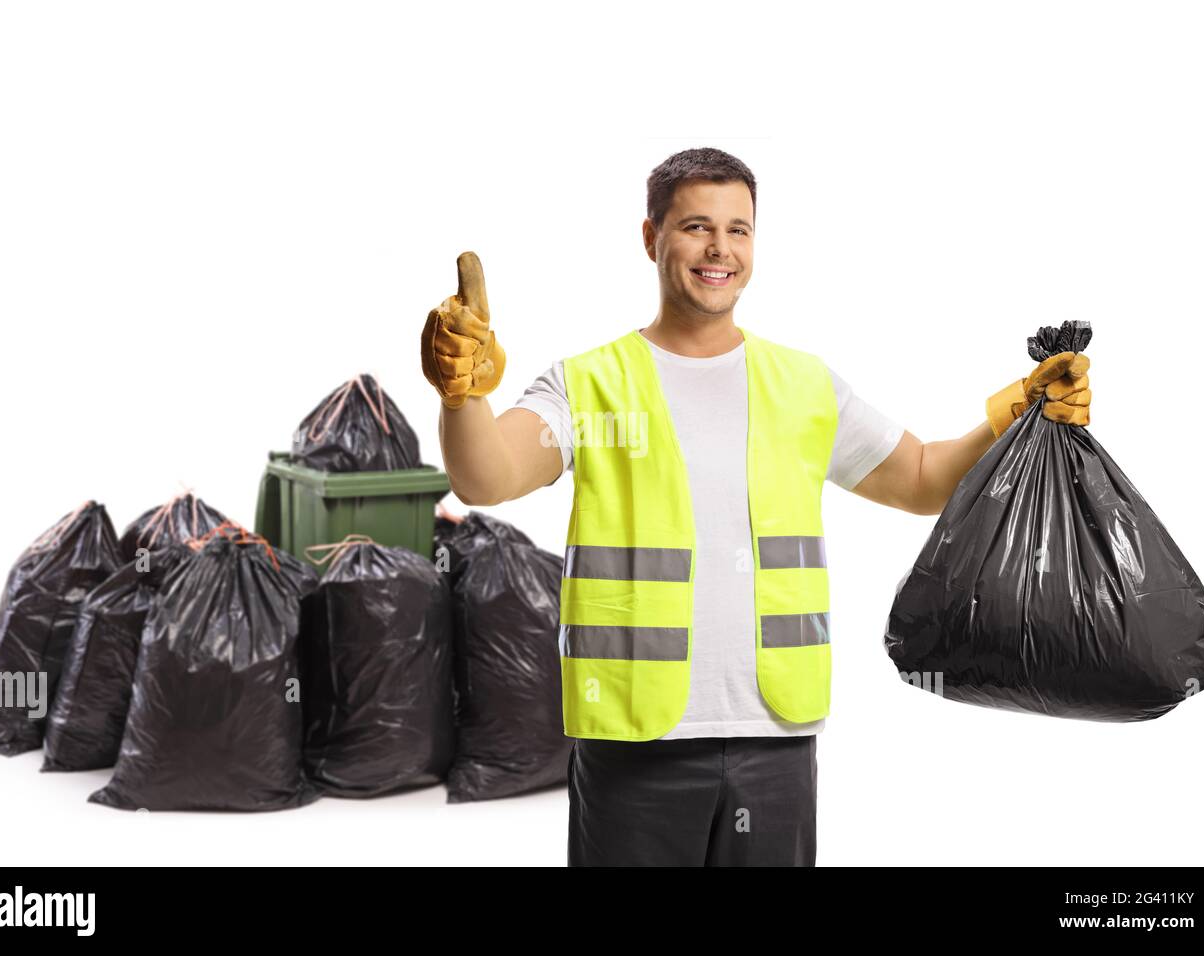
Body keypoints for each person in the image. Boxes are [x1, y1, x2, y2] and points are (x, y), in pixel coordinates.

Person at [420, 147, 1091, 867]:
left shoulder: (802, 386)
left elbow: (923, 478)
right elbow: (487, 477)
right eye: (696, 227)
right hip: (634, 745)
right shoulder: (590, 386)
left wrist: (1019, 412)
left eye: (738, 230)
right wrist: (463, 397)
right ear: (651, 238)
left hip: (775, 741)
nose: (720, 250)